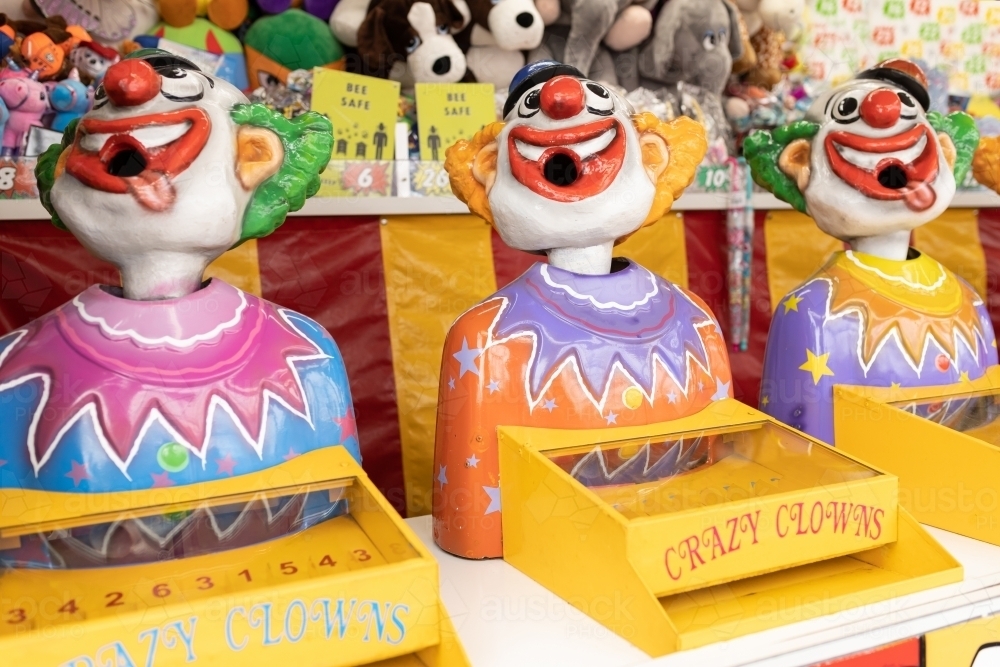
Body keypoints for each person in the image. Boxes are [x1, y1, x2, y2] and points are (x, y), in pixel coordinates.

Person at [0, 49, 355, 568]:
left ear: (253, 157)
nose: (126, 84)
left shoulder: (306, 352)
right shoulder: (15, 370)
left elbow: (342, 533)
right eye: (100, 94)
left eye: (176, 83)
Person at [433, 61, 730, 559]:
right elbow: (473, 530)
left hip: (688, 558)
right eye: (534, 107)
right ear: (488, 171)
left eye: (593, 103)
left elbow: (729, 480)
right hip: (545, 583)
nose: (562, 100)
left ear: (651, 158)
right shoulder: (485, 338)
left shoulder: (695, 322)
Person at [748, 58, 996, 444]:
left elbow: (986, 428)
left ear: (945, 152)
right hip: (859, 503)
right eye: (849, 111)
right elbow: (801, 450)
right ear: (799, 163)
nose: (883, 112)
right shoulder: (815, 312)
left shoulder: (968, 301)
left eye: (906, 110)